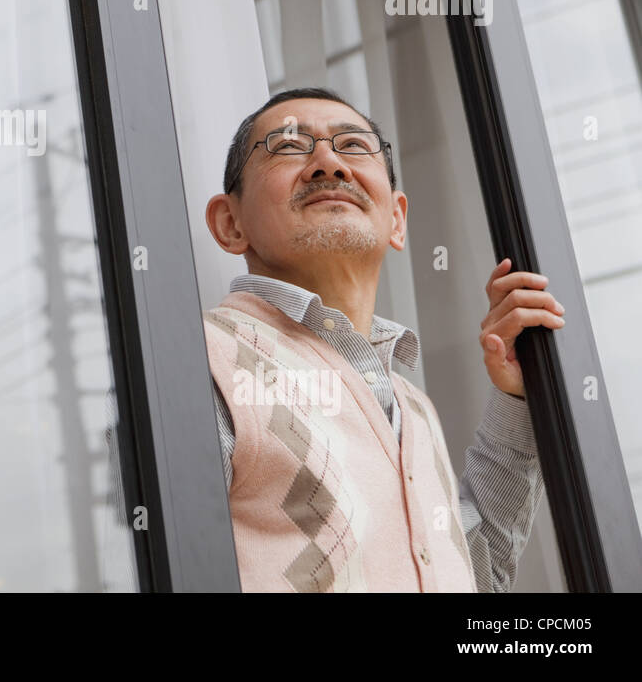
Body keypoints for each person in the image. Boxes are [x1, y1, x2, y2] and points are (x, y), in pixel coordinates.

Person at [203, 87, 555, 592]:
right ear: (230, 223)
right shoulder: (201, 360)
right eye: (287, 146)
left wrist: (517, 398)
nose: (329, 163)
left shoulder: (412, 406)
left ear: (396, 218)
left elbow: (474, 573)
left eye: (352, 146)